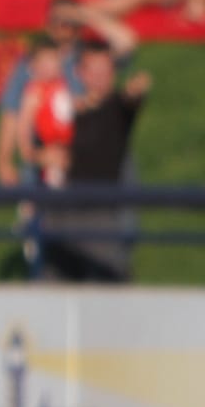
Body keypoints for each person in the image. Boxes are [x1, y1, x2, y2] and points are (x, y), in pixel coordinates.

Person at [0, 0, 136, 189]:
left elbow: (127, 41)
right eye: (57, 20)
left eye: (69, 20)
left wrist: (83, 15)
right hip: (45, 159)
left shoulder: (91, 55)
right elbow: (12, 112)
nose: (63, 25)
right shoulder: (30, 64)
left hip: (91, 154)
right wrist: (4, 160)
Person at [41, 41, 150, 282]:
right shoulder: (64, 110)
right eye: (94, 71)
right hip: (62, 211)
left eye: (106, 71)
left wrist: (136, 89)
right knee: (53, 293)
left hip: (101, 215)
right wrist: (42, 155)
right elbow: (30, 145)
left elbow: (134, 91)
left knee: (108, 293)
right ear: (80, 73)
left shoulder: (117, 108)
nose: (101, 78)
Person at [16, 35, 74, 189]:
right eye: (42, 62)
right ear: (33, 66)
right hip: (46, 153)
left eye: (52, 60)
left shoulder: (66, 86)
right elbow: (24, 128)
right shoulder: (34, 93)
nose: (48, 66)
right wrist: (33, 154)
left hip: (67, 151)